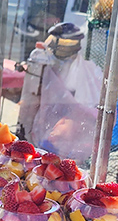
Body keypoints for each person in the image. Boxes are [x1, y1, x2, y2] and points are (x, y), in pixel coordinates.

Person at [20, 22, 103, 165]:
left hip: (67, 118)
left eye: (68, 43)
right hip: (42, 113)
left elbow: (81, 100)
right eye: (62, 43)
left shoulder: (81, 68)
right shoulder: (42, 59)